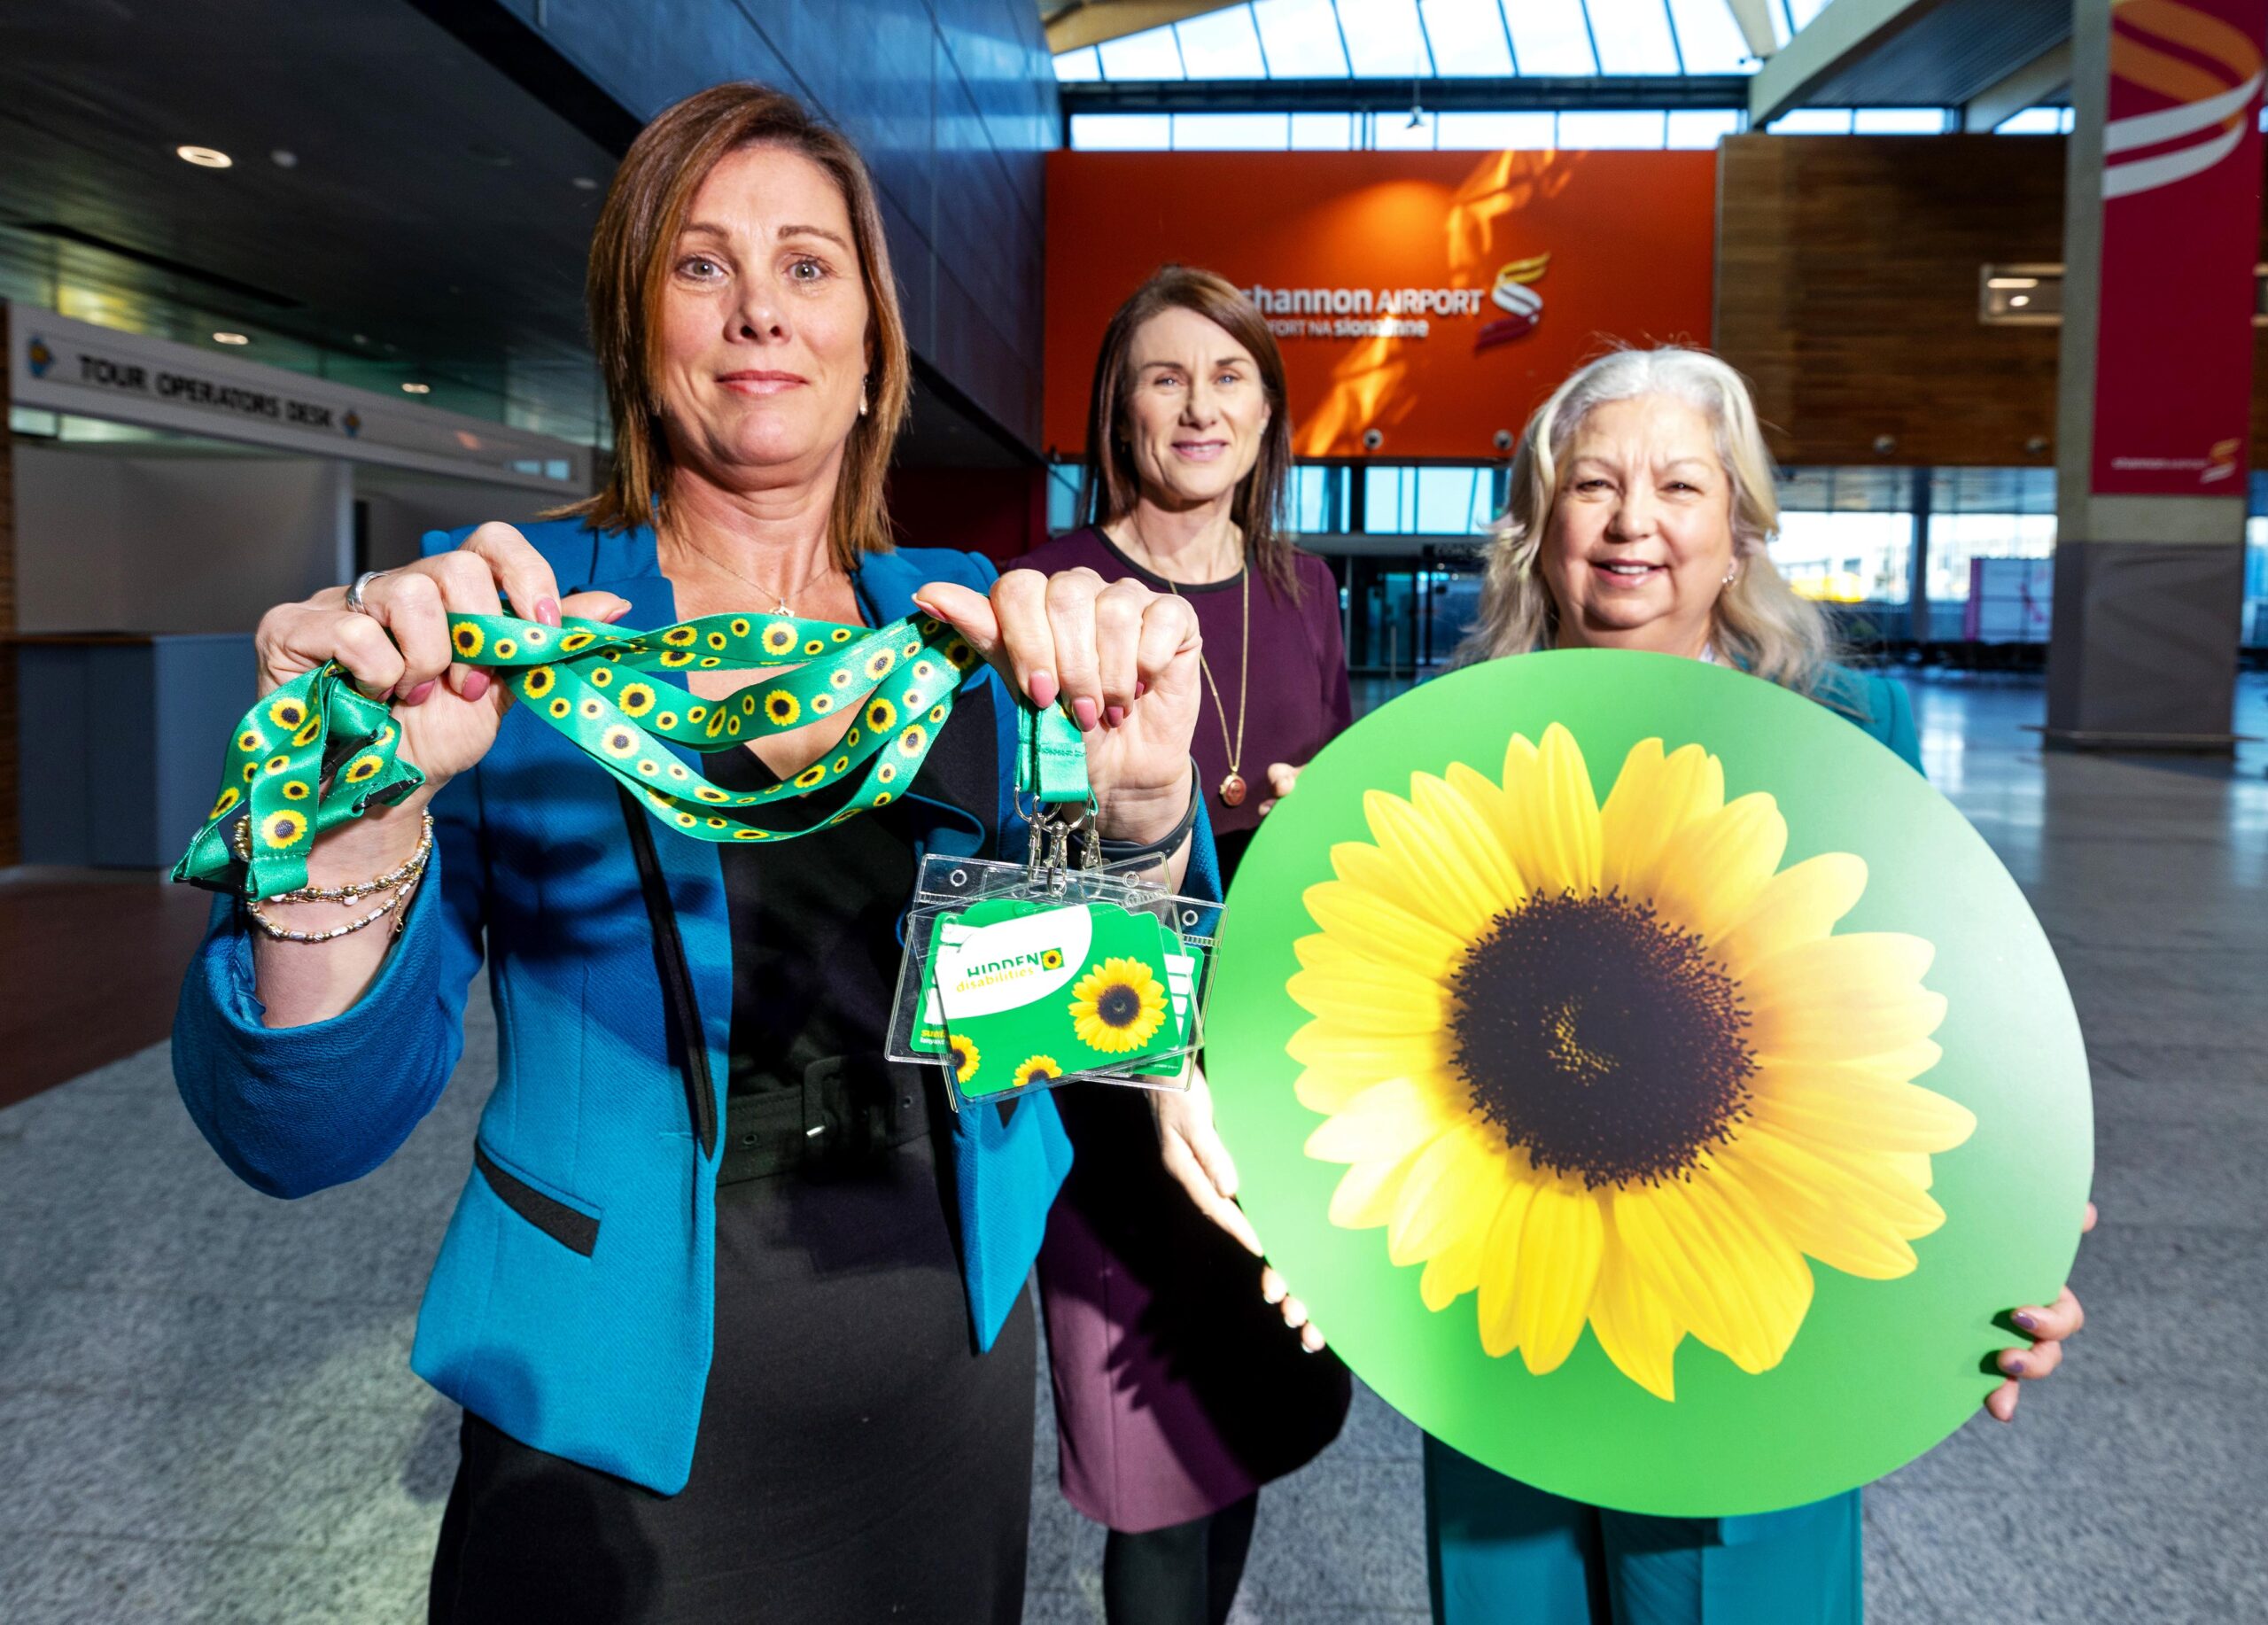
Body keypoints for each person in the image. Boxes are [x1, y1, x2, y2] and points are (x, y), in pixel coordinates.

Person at [171, 82, 1215, 1625]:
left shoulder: (978, 631)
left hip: (944, 1403)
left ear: (873, 352)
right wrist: (364, 799)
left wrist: (1137, 819)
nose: (758, 313)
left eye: (808, 267)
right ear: (636, 336)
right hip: (610, 1440)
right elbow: (295, 1132)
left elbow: (1077, 1029)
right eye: (700, 264)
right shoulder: (507, 643)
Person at [1410, 345, 2092, 1623]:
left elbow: (1945, 1025)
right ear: (1539, 526)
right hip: (1508, 1310)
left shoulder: (1854, 736)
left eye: (1680, 486)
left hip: (1759, 1320)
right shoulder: (1448, 757)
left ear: (1738, 535)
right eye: (1593, 484)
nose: (1633, 522)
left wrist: (2016, 1220)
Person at [1021, 266, 1353, 1625]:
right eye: (1166, 375)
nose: (1200, 405)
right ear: (1121, 410)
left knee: (1243, 1438)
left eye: (1231, 378)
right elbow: (1029, 867)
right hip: (1111, 1093)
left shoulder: (1307, 587)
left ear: (1269, 418)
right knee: (1149, 1476)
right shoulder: (1051, 586)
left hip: (1275, 1082)